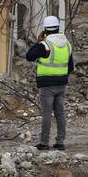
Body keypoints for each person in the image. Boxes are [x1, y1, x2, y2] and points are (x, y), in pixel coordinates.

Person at [25, 15, 74, 151]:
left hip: (46, 85)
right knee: (60, 113)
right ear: (58, 28)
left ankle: (44, 143)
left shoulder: (44, 45)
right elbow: (71, 66)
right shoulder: (67, 45)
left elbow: (29, 57)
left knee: (47, 114)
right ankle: (60, 142)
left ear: (45, 30)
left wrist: (38, 42)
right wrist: (61, 76)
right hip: (61, 84)